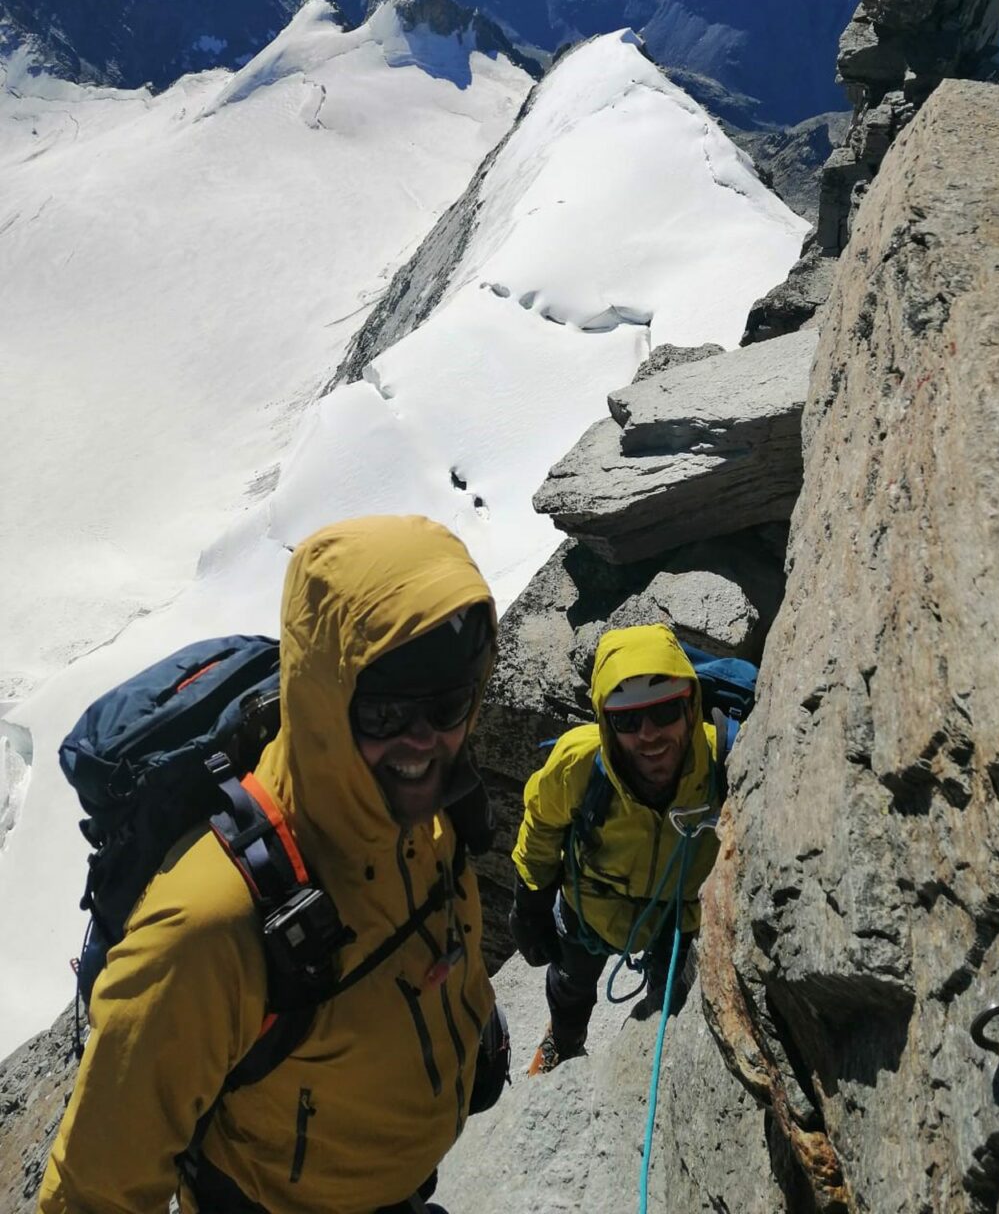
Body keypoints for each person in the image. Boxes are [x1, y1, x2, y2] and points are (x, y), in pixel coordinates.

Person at [40, 514, 500, 1214]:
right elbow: (95, 1192)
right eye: (383, 715)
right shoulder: (207, 924)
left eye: (449, 705)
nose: (425, 741)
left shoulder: (425, 810)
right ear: (323, 700)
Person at [509, 623, 724, 1074]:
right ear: (606, 723)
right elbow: (542, 821)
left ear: (691, 707)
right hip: (593, 910)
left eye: (664, 712)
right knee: (570, 986)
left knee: (668, 1001)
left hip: (678, 918)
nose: (648, 734)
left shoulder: (725, 761)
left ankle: (646, 1057)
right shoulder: (579, 762)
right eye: (627, 720)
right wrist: (530, 897)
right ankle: (564, 1041)